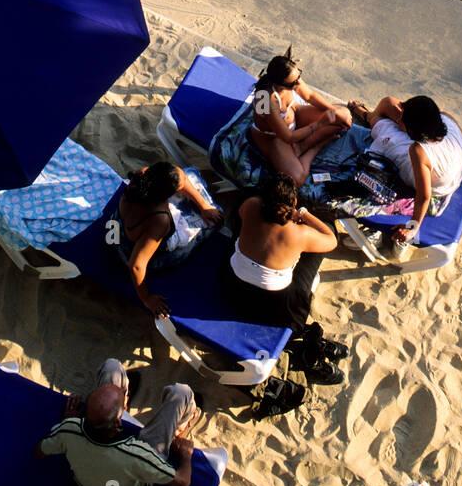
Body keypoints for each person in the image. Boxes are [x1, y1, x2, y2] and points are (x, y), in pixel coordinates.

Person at [227, 173, 347, 383]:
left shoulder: (250, 205)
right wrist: (304, 214)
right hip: (274, 304)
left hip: (234, 283)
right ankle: (305, 353)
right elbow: (331, 240)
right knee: (320, 243)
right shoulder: (298, 233)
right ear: (293, 202)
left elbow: (244, 213)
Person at [36, 358, 199, 486]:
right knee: (182, 393)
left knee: (111, 367)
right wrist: (186, 456)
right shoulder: (139, 456)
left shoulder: (69, 429)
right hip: (134, 482)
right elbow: (182, 483)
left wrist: (66, 421)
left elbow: (40, 451)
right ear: (118, 423)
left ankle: (117, 400)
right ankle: (179, 427)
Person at [346, 95, 462, 244]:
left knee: (382, 125)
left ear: (412, 131)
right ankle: (370, 115)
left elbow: (424, 196)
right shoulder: (445, 119)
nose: (398, 120)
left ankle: (366, 115)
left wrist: (413, 227)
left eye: (402, 120)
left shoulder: (418, 150)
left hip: (433, 185)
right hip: (453, 170)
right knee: (389, 103)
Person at [117, 162, 222, 318]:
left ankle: (203, 205)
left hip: (120, 227)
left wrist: (203, 206)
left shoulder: (142, 175)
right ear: (167, 194)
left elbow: (181, 177)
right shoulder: (159, 220)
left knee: (188, 173)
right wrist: (147, 298)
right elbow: (136, 266)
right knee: (217, 219)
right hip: (135, 251)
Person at [249, 46, 351, 185]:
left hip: (294, 114)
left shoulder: (291, 79)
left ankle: (301, 147)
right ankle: (314, 147)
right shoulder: (266, 100)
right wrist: (320, 123)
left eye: (299, 76)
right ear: (279, 85)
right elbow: (287, 137)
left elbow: (309, 95)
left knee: (343, 116)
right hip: (274, 138)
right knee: (297, 178)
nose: (298, 82)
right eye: (294, 82)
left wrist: (333, 111)